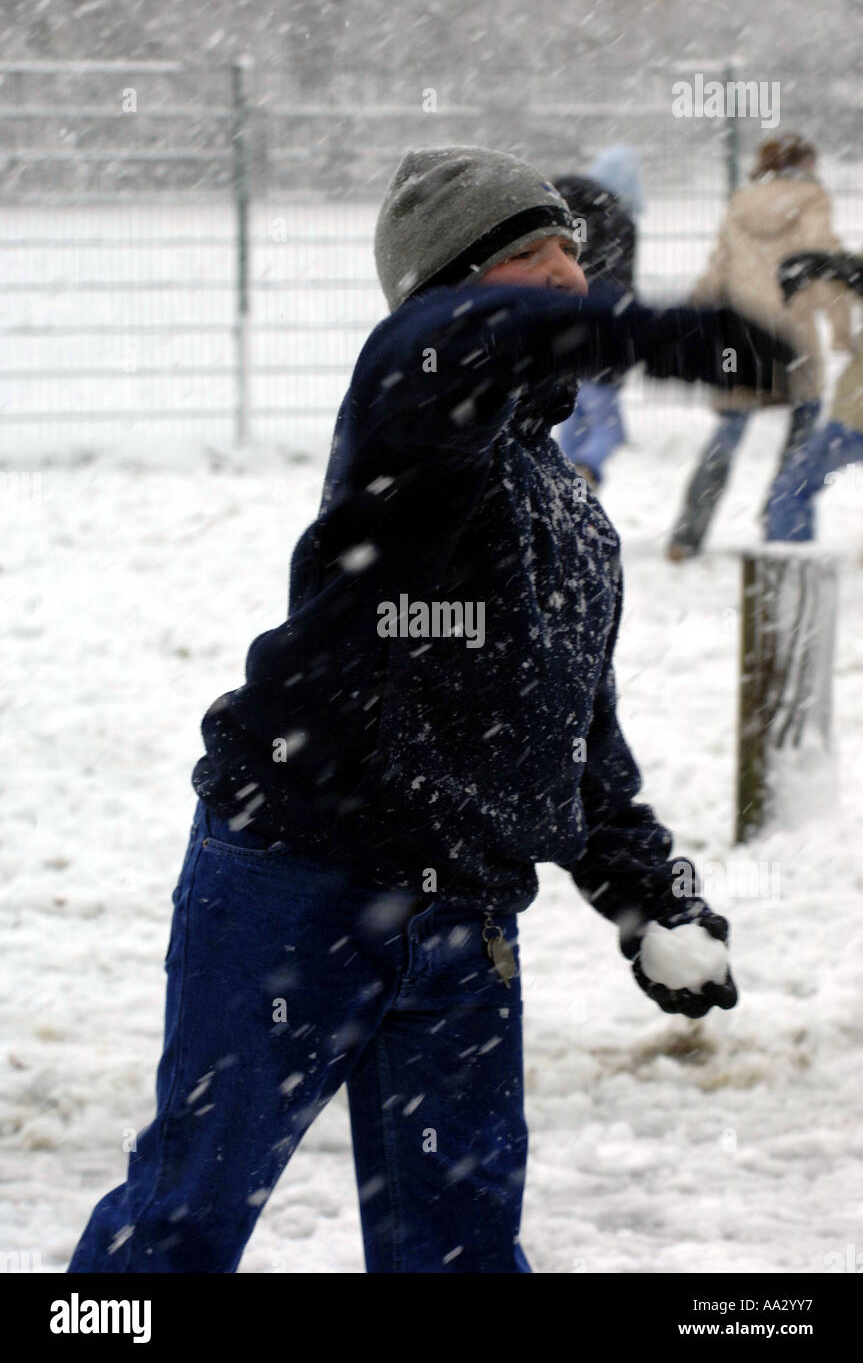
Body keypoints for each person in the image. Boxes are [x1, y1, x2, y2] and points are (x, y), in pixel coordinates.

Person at [66, 145, 790, 1276]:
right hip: (296, 884)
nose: (563, 272)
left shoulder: (566, 509)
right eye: (523, 254)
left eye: (567, 248)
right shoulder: (409, 411)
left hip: (463, 926)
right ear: (451, 291)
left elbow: (573, 736)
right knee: (179, 1226)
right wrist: (655, 331)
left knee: (458, 1253)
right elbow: (453, 339)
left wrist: (648, 897)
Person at [667, 132, 853, 561]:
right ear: (804, 162)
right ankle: (782, 522)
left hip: (742, 334)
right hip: (793, 335)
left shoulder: (741, 201)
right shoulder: (811, 199)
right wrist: (842, 330)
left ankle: (687, 534)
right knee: (802, 435)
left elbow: (718, 268)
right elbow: (824, 264)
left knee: (727, 434)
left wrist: (692, 315)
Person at [552, 145, 644, 488]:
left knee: (571, 411)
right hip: (606, 325)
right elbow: (621, 279)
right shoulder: (619, 218)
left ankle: (563, 483)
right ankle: (585, 470)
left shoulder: (566, 213)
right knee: (609, 426)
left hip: (563, 322)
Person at [765, 250, 863, 541]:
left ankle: (789, 572)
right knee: (791, 487)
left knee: (790, 489)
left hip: (854, 420)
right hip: (851, 415)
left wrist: (822, 265)